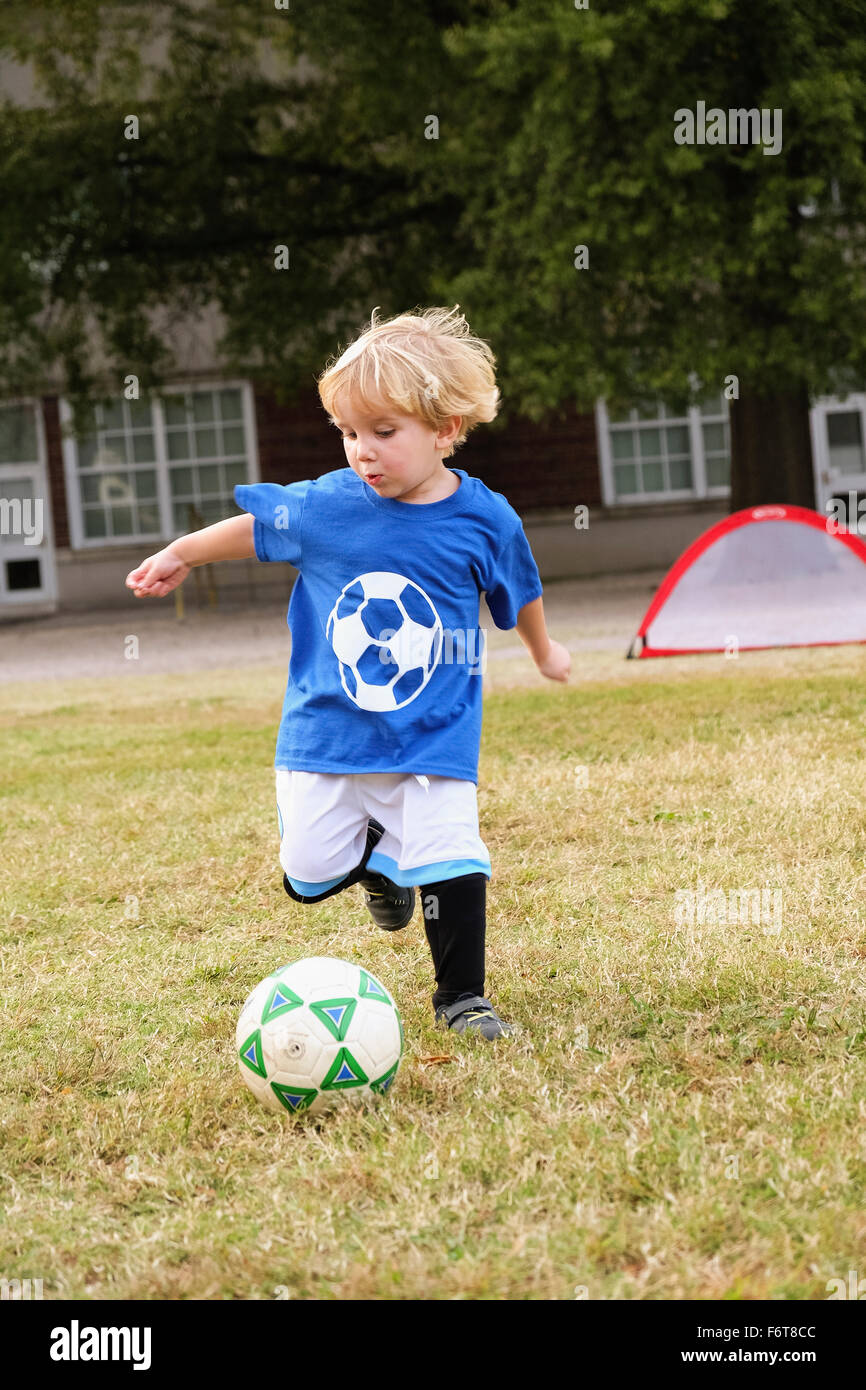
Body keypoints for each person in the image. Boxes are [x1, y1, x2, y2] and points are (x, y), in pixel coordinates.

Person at [126, 305, 570, 1039]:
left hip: (432, 738)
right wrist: (183, 551)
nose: (363, 450)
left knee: (453, 854)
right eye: (349, 432)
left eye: (384, 433)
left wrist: (544, 651)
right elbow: (254, 529)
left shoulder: (487, 520)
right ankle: (375, 865)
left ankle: (462, 998)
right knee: (304, 876)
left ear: (446, 428)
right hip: (325, 735)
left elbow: (519, 592)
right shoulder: (329, 506)